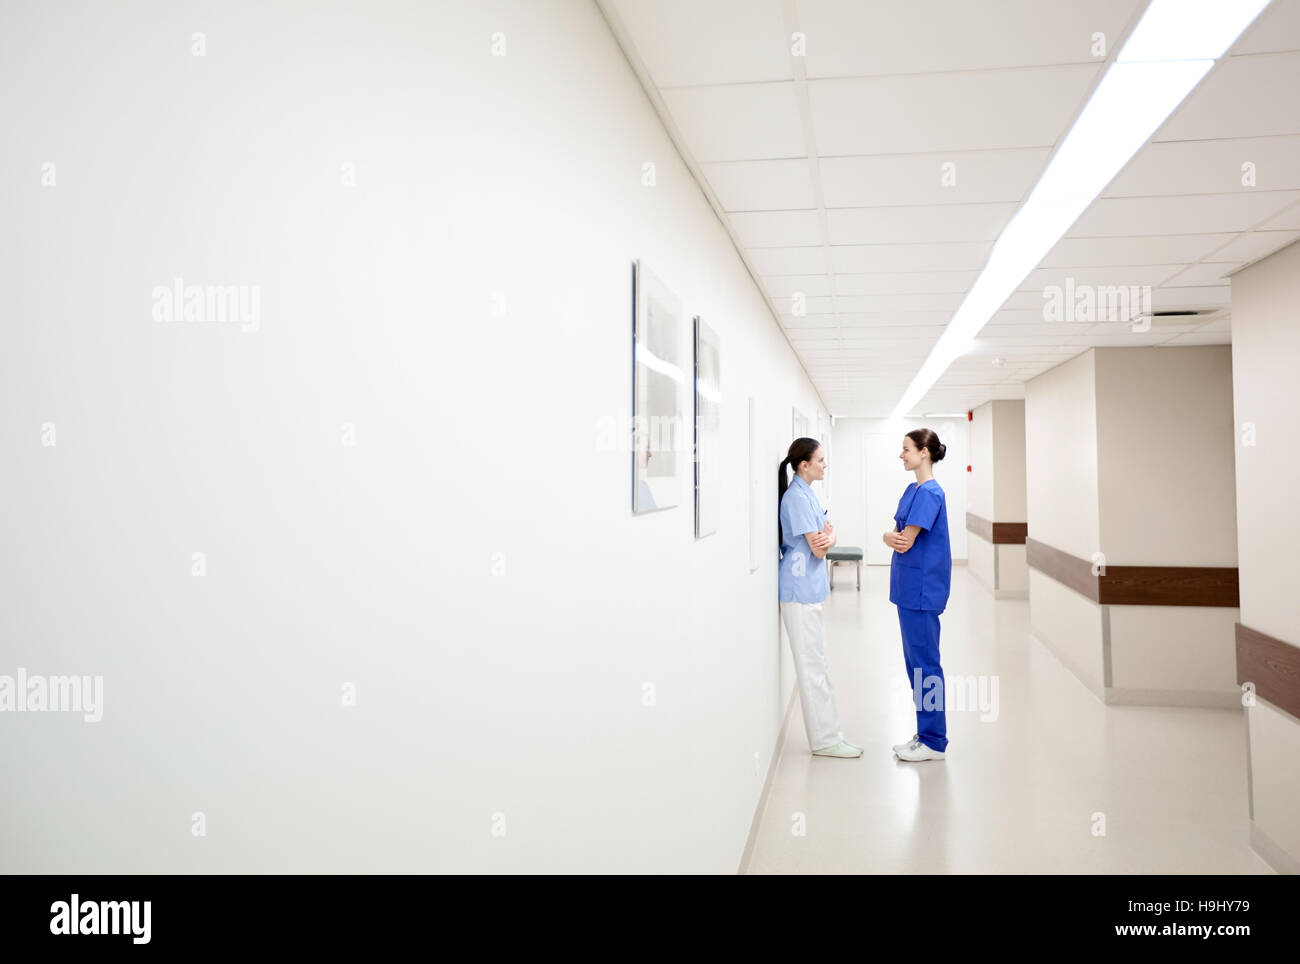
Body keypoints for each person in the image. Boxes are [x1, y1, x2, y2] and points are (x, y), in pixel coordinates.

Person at [778, 437, 861, 759]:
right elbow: (820, 546)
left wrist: (830, 534)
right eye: (821, 460)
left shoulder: (806, 493)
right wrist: (830, 535)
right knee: (813, 668)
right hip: (798, 592)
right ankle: (825, 740)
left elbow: (827, 534)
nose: (825, 465)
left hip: (808, 590)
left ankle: (830, 735)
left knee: (818, 664)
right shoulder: (796, 499)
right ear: (804, 465)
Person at [883, 428, 952, 763]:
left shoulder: (930, 493)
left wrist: (890, 535)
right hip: (908, 590)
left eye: (906, 449)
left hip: (922, 591)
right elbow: (894, 534)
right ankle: (925, 733)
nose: (902, 455)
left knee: (926, 667)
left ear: (924, 452)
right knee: (916, 667)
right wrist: (889, 535)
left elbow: (902, 540)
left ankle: (934, 741)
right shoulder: (914, 489)